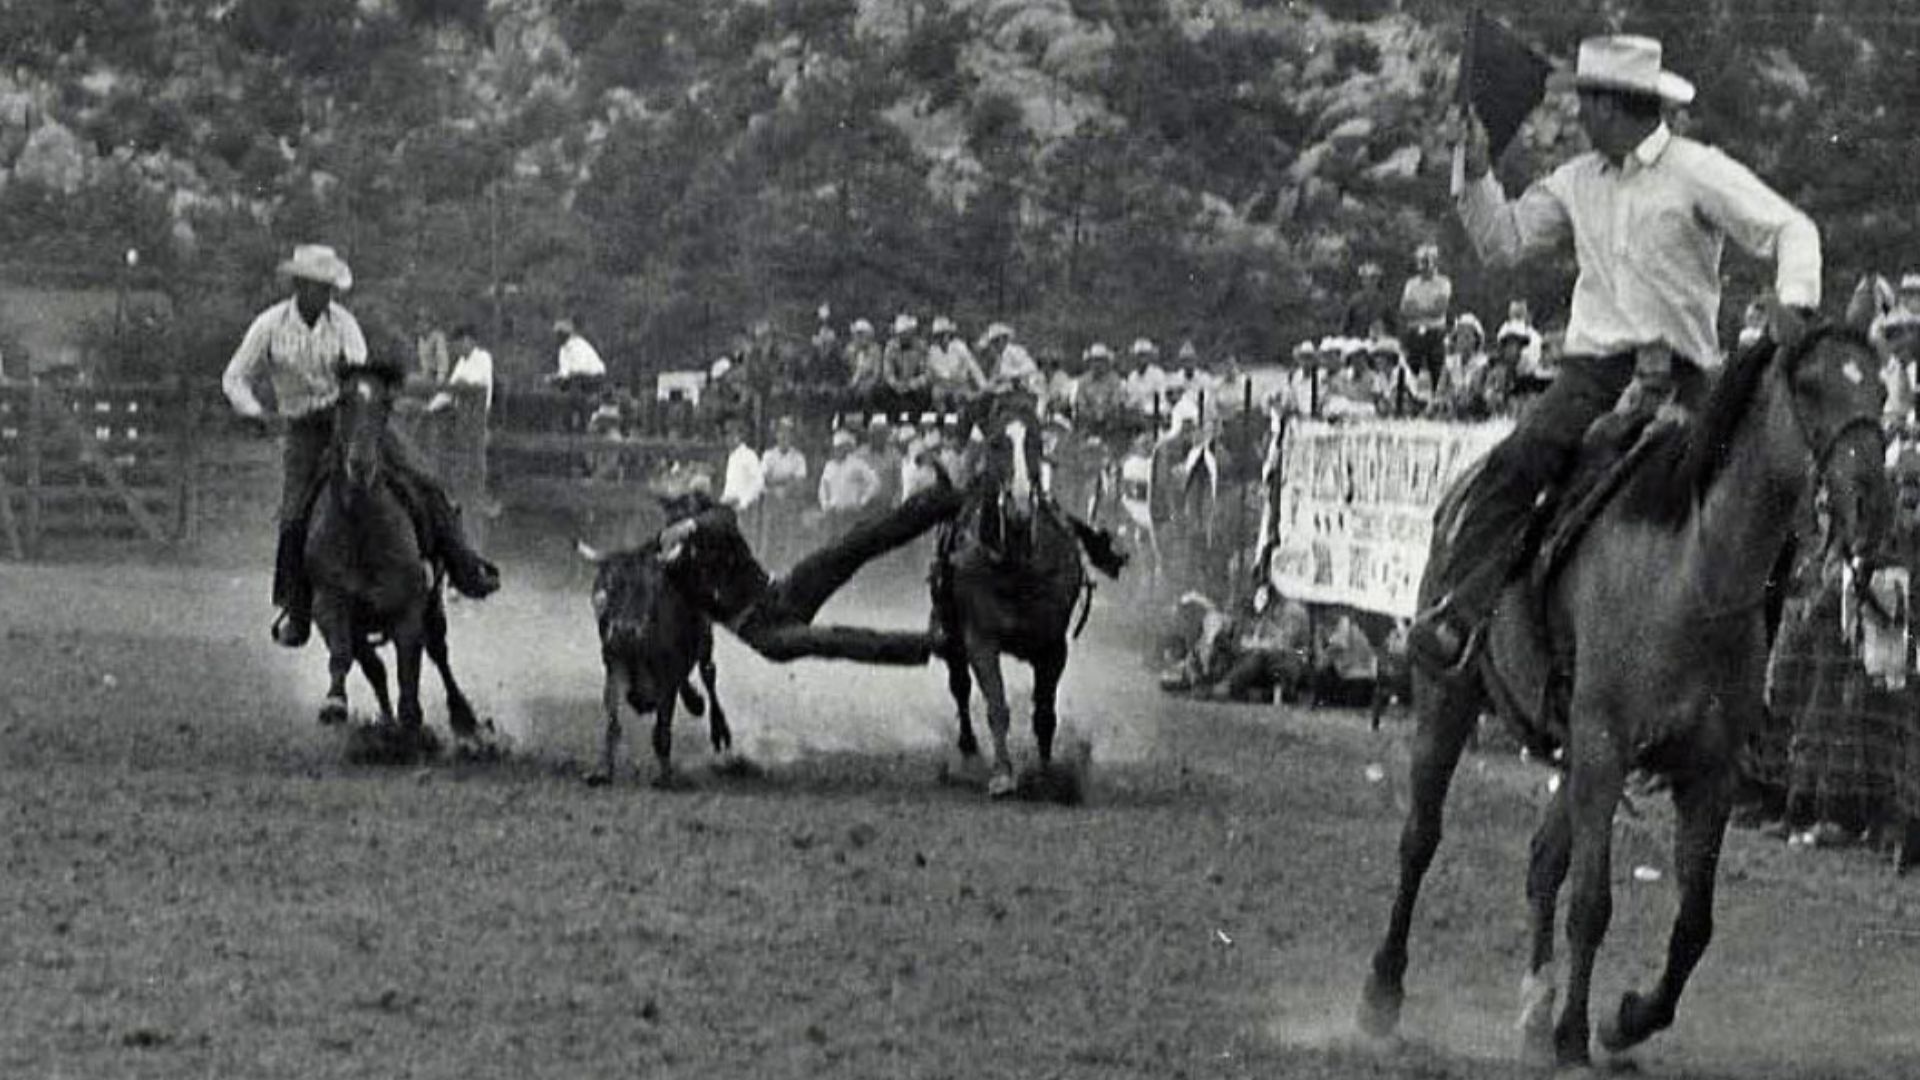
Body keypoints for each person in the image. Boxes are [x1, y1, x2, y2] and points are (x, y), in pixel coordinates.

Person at [1406, 34, 1821, 673]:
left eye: (1586, 103)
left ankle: (1758, 669)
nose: (1578, 117)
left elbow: (1792, 227)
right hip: (1593, 376)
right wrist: (1479, 171)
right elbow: (1504, 241)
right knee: (1517, 462)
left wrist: (1796, 300)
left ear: (1609, 105)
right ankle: (1459, 612)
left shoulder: (1697, 170)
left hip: (1687, 379)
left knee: (1760, 500)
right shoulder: (1577, 181)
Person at [221, 244, 499, 648]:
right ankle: (295, 606)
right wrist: (257, 413)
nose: (325, 295)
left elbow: (361, 374)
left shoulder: (344, 325)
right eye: (317, 286)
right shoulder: (270, 325)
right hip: (303, 428)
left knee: (422, 480)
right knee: (294, 514)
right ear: (299, 285)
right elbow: (234, 377)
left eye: (328, 288)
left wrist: (360, 413)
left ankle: (464, 567)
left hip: (350, 420)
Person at [657, 454, 967, 665]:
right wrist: (672, 557)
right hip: (764, 633)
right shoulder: (677, 564)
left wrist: (688, 529)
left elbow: (719, 520)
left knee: (853, 543)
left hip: (780, 594)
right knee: (835, 640)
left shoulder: (713, 520)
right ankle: (931, 645)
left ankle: (940, 501)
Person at [1399, 243, 1453, 380]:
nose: (1425, 266)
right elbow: (1405, 310)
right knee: (1411, 373)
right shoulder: (1411, 284)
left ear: (1435, 262)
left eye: (1429, 261)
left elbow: (1439, 310)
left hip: (1435, 333)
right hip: (1414, 333)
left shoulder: (1443, 283)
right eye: (1422, 261)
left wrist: (1417, 310)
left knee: (1437, 372)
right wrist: (1429, 309)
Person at [817, 429, 881, 540]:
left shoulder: (857, 464)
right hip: (834, 515)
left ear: (848, 448)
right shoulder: (829, 466)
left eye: (842, 447)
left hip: (851, 513)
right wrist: (825, 505)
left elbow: (875, 483)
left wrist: (863, 500)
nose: (839, 451)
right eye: (837, 448)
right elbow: (823, 488)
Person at [925, 315, 988, 409]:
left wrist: (984, 386)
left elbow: (973, 367)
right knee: (937, 395)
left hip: (959, 386)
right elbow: (930, 372)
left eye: (943, 335)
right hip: (942, 387)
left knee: (961, 402)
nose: (941, 338)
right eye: (938, 336)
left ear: (949, 334)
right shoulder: (933, 351)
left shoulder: (959, 347)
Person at [719, 414, 765, 512]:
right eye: (726, 433)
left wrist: (743, 502)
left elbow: (759, 483)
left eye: (732, 433)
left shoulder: (749, 455)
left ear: (740, 435)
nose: (729, 437)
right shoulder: (730, 458)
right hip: (727, 508)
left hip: (744, 509)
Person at [1342, 260, 1397, 339]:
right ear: (1362, 281)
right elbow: (1345, 326)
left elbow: (1393, 326)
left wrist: (1383, 329)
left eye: (1374, 278)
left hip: (1380, 341)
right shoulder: (1354, 301)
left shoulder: (1384, 301)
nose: (1371, 282)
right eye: (1367, 278)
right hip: (1358, 341)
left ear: (1378, 280)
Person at [550, 318, 608, 390]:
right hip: (579, 378)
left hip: (594, 377)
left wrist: (566, 377)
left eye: (559, 334)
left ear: (565, 335)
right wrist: (555, 377)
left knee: (572, 383)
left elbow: (581, 368)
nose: (557, 338)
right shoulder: (563, 349)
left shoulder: (578, 344)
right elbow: (564, 371)